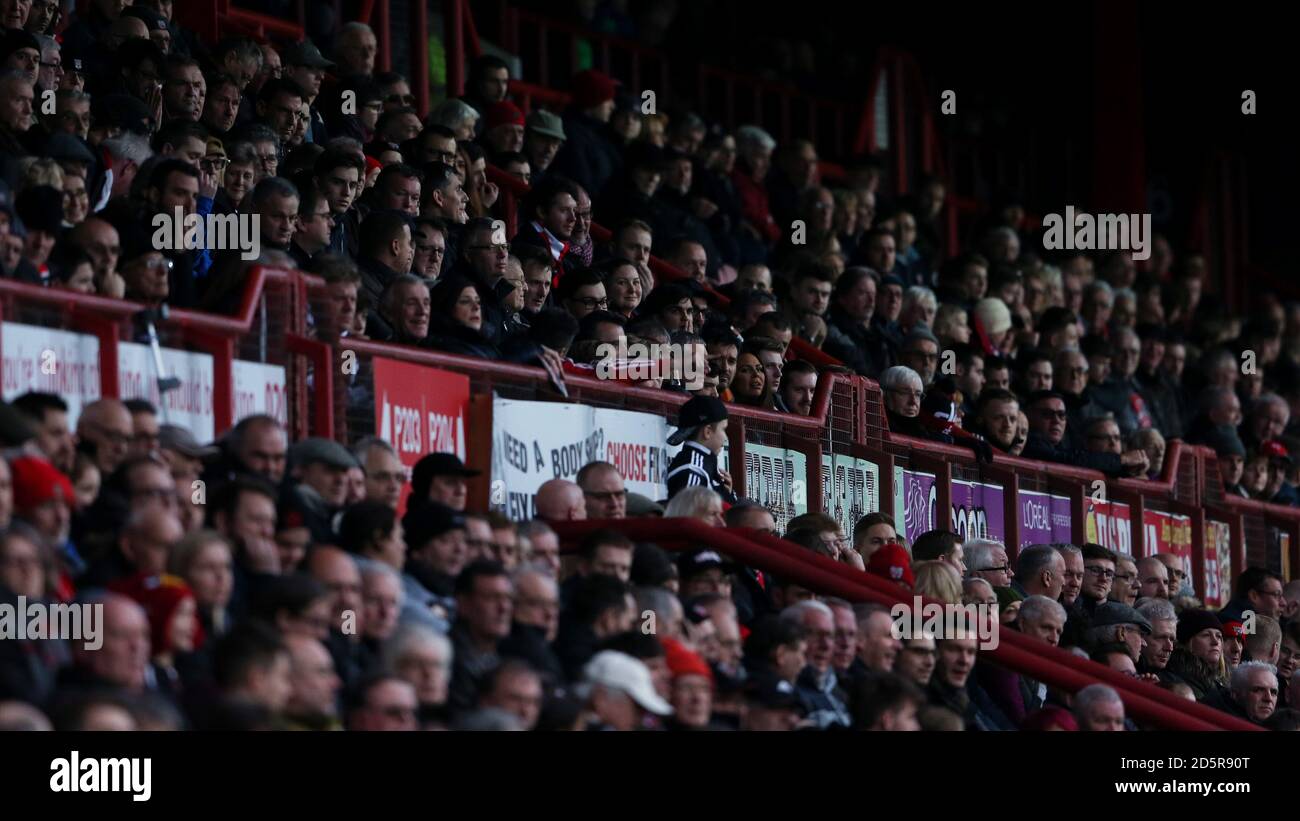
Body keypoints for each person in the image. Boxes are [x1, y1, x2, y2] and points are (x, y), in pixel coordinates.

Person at [666, 396, 737, 503]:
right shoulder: (693, 469)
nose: (725, 437)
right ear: (707, 431)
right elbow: (690, 516)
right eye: (723, 429)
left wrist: (726, 493)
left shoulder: (703, 465)